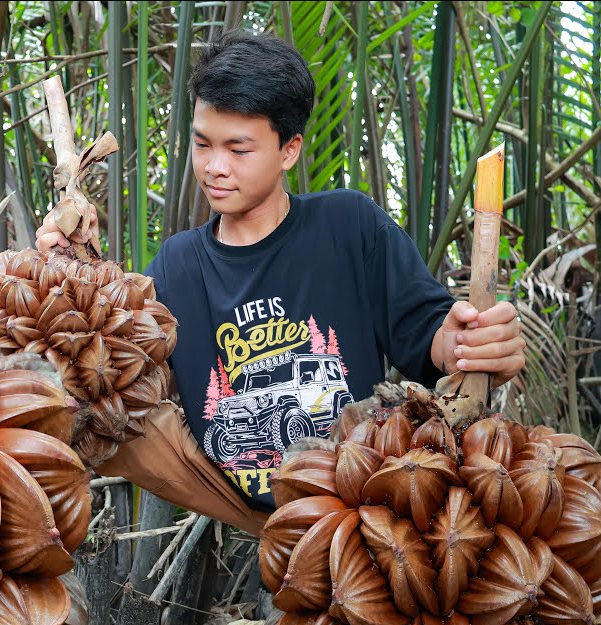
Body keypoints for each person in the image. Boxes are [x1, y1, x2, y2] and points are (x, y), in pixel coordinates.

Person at [36, 31, 525, 534]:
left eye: (238, 149)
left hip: (363, 511)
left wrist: (472, 343)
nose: (214, 167)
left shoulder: (349, 226)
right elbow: (121, 376)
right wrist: (70, 276)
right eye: (202, 143)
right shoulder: (178, 266)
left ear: (289, 149)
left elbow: (430, 336)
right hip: (246, 510)